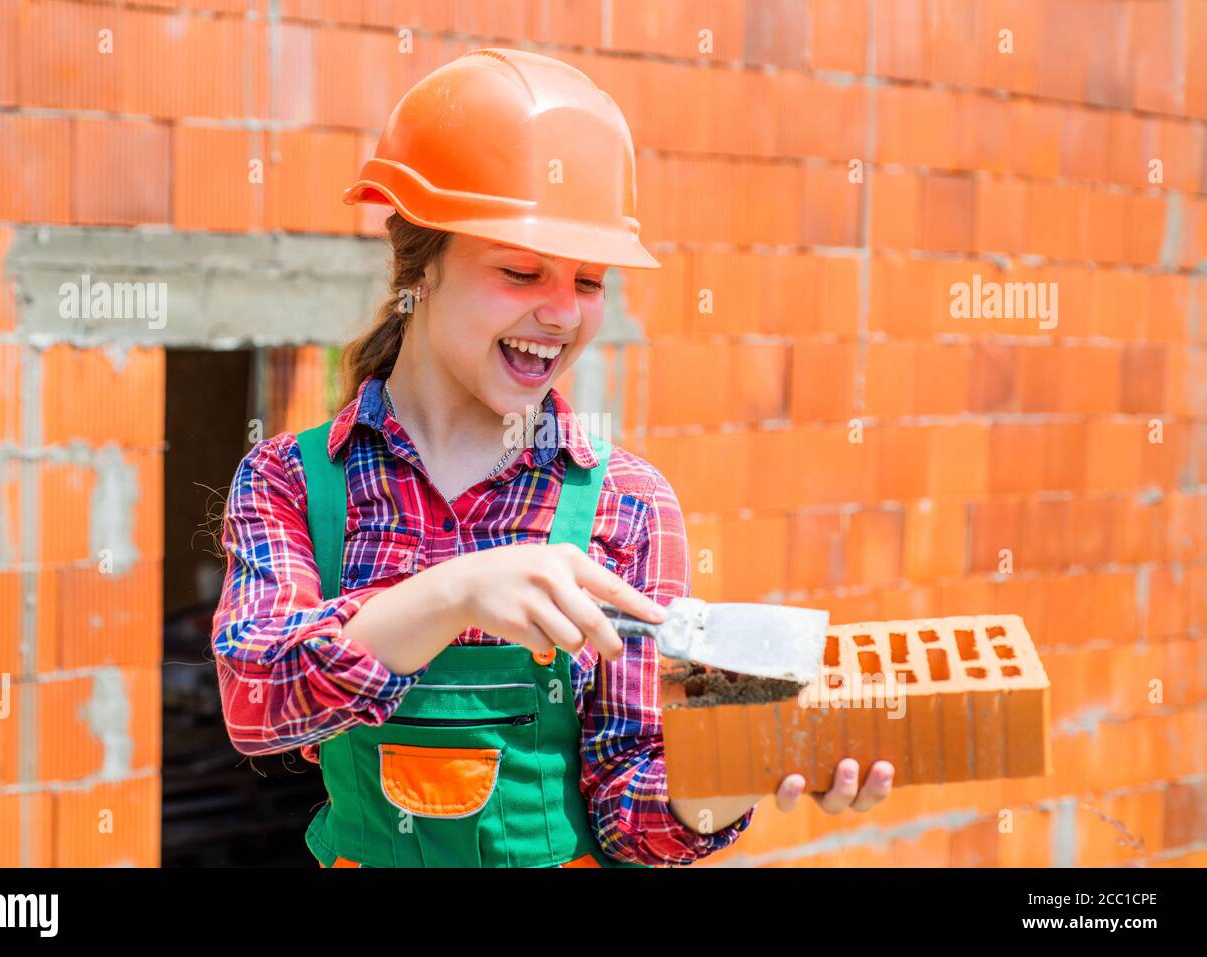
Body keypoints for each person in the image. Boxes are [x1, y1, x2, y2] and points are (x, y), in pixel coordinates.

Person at [212, 47, 892, 869]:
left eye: (591, 279)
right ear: (420, 269)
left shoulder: (627, 502)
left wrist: (741, 763)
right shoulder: (294, 481)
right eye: (521, 270)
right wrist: (460, 588)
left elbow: (631, 818)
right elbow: (258, 701)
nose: (563, 313)